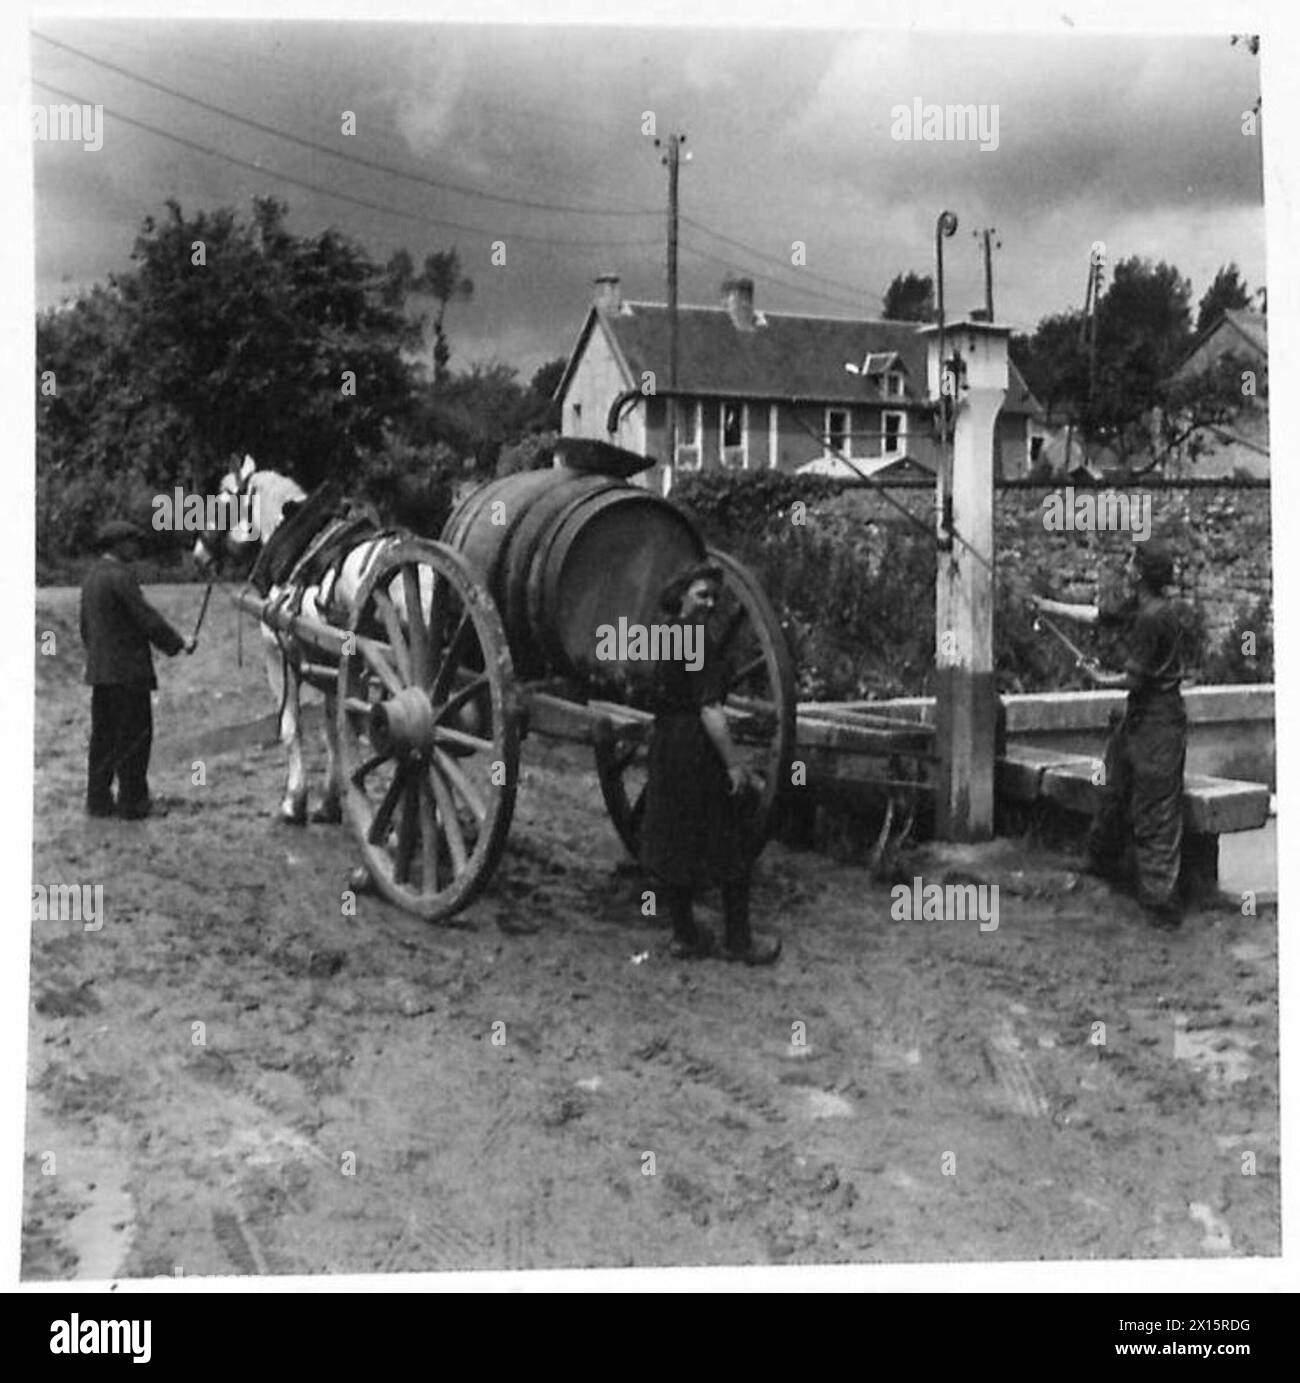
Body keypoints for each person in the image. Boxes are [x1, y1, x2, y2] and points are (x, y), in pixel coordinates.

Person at [1032, 540, 1188, 928]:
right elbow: (1099, 617)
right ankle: (1101, 863)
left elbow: (1135, 679)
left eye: (1132, 561)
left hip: (1159, 722)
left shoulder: (1155, 617)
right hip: (1140, 718)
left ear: (1142, 573)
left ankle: (1160, 903)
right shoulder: (1142, 607)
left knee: (1155, 810)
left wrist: (1097, 676)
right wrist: (1048, 606)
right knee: (1115, 787)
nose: (1127, 566)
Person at [638, 560, 781, 964]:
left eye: (715, 597)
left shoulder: (664, 635)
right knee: (732, 837)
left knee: (674, 840)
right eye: (702, 595)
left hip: (667, 747)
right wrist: (735, 765)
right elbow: (710, 711)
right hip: (695, 751)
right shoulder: (697, 641)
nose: (710, 603)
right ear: (683, 596)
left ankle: (685, 937)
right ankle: (739, 942)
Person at [81, 520, 195, 820]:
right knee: (135, 739)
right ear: (118, 544)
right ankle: (133, 803)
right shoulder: (121, 577)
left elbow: (85, 628)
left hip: (100, 675)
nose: (136, 546)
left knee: (103, 739)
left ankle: (98, 802)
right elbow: (148, 620)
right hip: (129, 675)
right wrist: (180, 643)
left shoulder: (91, 578)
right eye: (132, 541)